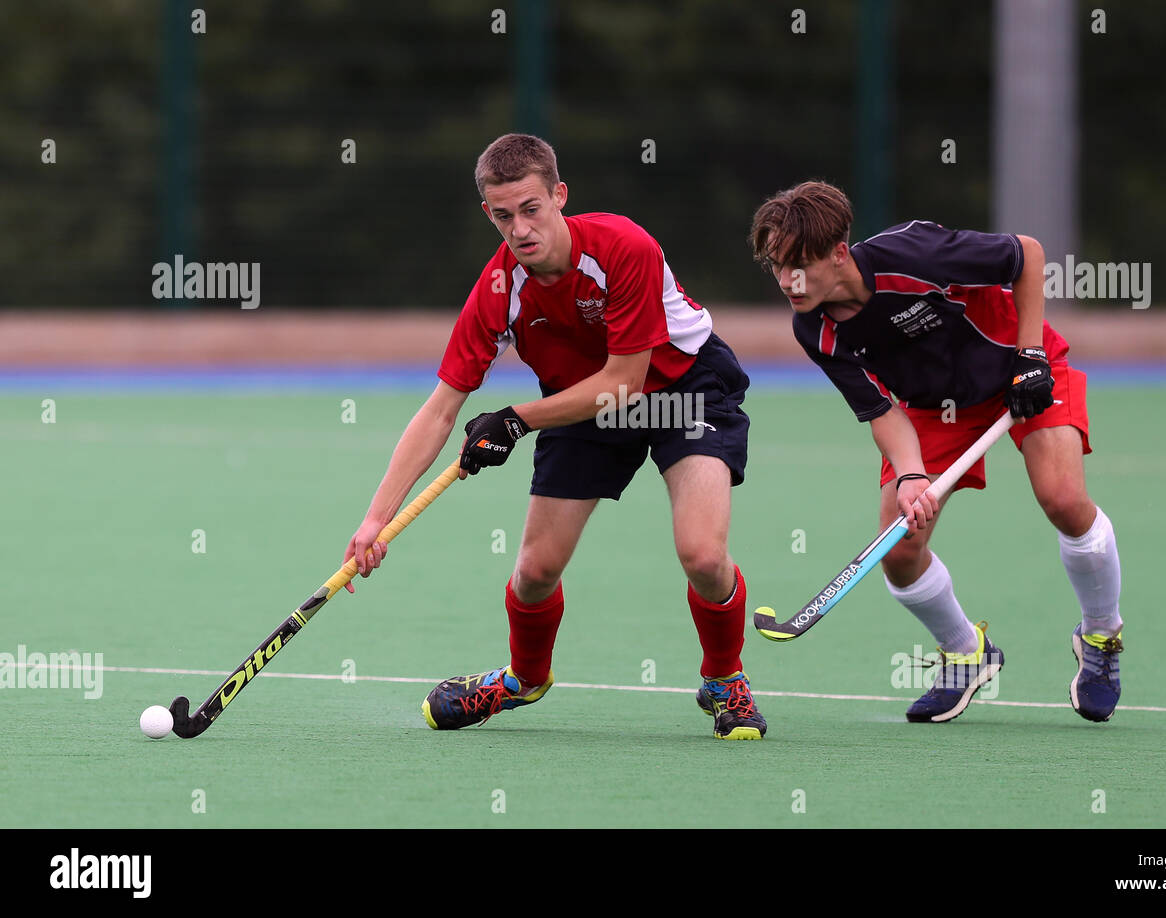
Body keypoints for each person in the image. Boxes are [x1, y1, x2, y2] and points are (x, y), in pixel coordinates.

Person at [342, 134, 766, 740]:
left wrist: (515, 418)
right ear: (488, 213)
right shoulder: (498, 288)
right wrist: (374, 520)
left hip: (683, 389)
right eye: (502, 215)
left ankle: (725, 679)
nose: (519, 229)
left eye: (531, 208)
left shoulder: (624, 248)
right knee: (535, 571)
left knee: (702, 553)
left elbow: (626, 381)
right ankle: (523, 678)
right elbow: (441, 409)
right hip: (581, 405)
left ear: (559, 196)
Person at [748, 181, 1123, 724]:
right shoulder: (815, 330)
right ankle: (966, 651)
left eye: (798, 264)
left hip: (1021, 369)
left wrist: (1032, 354)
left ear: (837, 252)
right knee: (899, 552)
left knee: (1063, 499)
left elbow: (1028, 255)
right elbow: (881, 411)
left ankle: (1101, 635)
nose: (788, 281)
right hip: (931, 409)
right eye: (777, 267)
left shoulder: (913, 253)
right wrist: (910, 476)